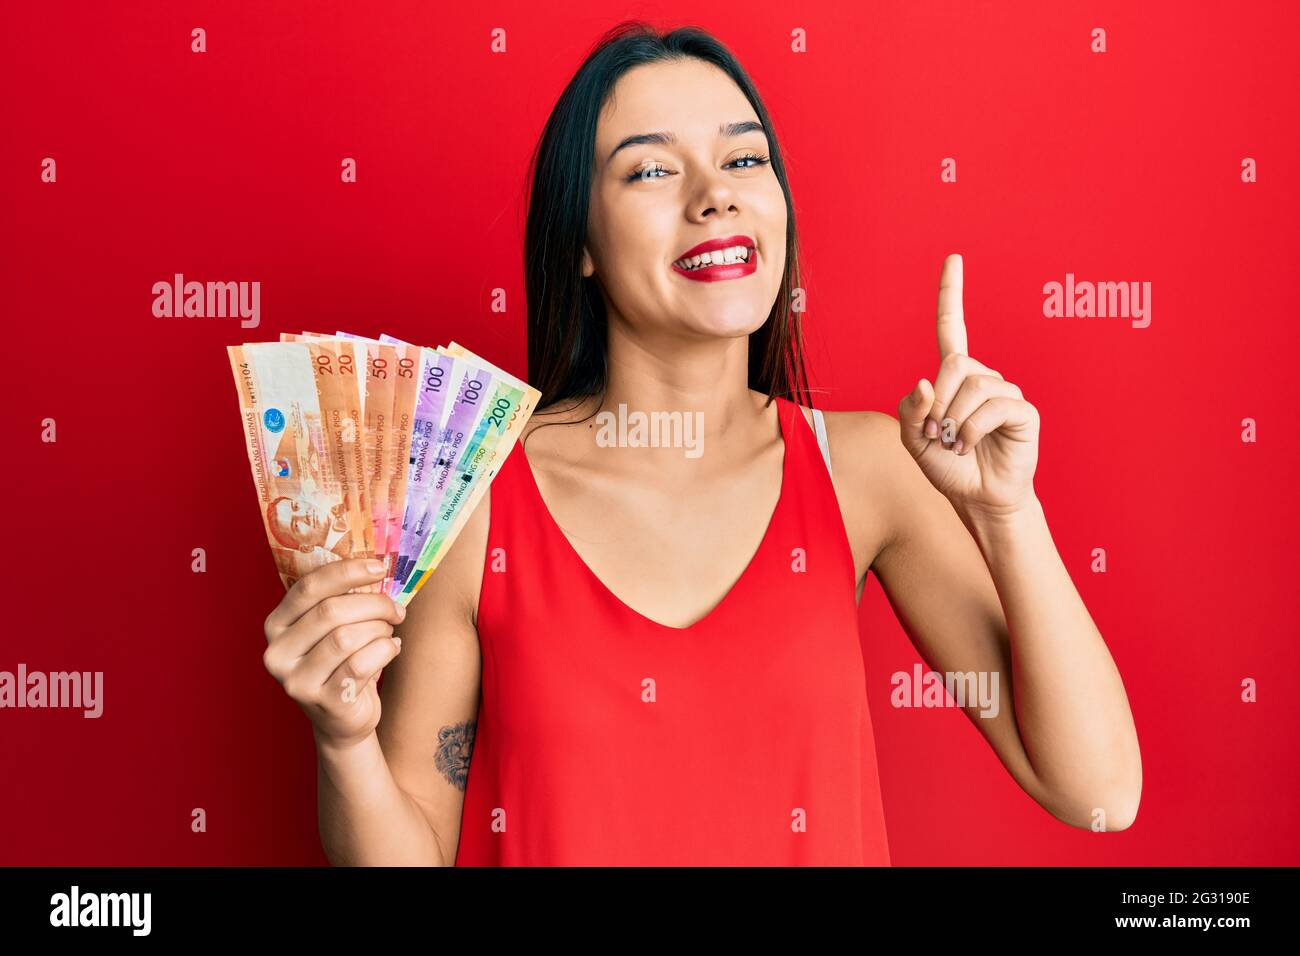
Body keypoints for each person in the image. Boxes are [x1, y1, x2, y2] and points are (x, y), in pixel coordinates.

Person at [260, 22, 1141, 866]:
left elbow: (1099, 792)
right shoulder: (482, 497)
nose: (714, 192)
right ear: (580, 246)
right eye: (650, 169)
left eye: (744, 158)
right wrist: (344, 740)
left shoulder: (863, 470)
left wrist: (1007, 515)